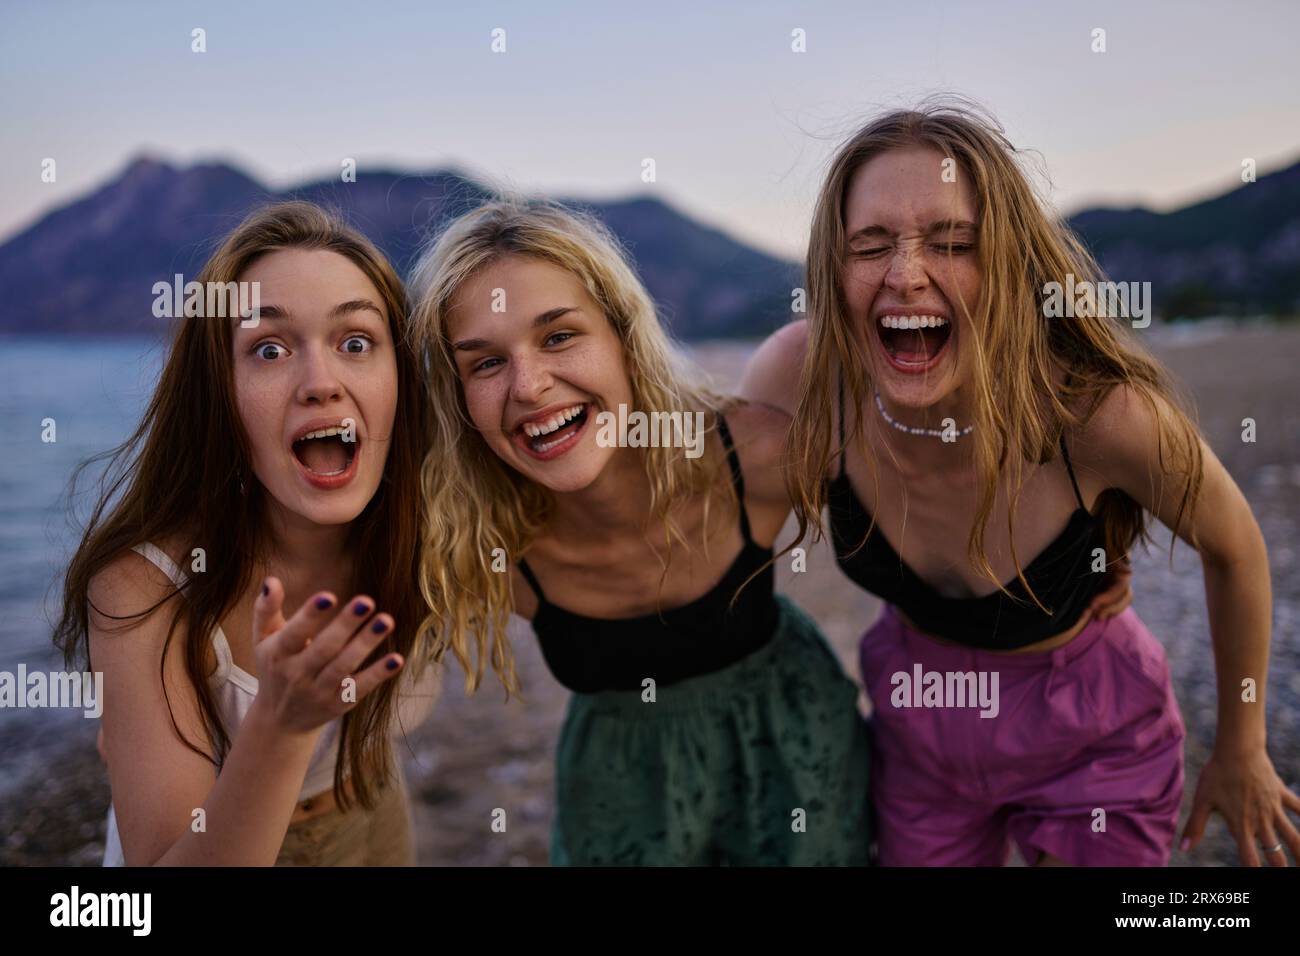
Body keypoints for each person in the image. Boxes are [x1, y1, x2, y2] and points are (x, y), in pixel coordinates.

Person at [741, 101, 1300, 867]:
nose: (906, 275)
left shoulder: (1097, 413)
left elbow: (1235, 546)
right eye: (869, 246)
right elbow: (706, 530)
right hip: (916, 722)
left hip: (1092, 730)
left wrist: (1242, 749)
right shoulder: (800, 380)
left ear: (1010, 260)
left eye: (953, 243)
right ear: (832, 272)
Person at [408, 199, 870, 865]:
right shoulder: (481, 543)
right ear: (457, 400)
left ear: (623, 336)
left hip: (796, 763)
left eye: (560, 336)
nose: (531, 386)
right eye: (484, 363)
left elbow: (929, 486)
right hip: (620, 797)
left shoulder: (750, 457)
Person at [55, 201, 438, 866]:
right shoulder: (142, 589)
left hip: (374, 812)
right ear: (219, 397)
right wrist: (281, 729)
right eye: (268, 348)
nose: (321, 383)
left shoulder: (440, 528)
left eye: (356, 343)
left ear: (400, 378)